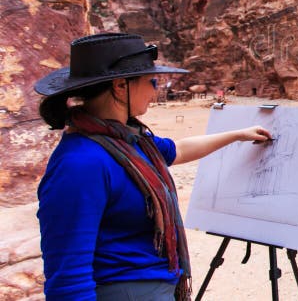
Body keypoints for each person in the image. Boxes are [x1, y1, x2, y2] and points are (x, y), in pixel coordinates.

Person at [35, 33, 272, 300]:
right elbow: (68, 277)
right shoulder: (81, 163)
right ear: (120, 86)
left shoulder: (130, 141)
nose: (155, 90)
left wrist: (238, 134)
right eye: (151, 81)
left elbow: (178, 150)